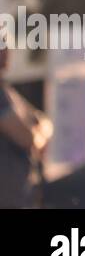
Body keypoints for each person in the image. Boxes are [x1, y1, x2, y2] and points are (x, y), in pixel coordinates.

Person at [0, 42, 51, 209]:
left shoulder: (7, 91)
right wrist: (37, 135)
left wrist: (37, 132)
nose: (6, 51)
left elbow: (43, 122)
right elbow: (25, 137)